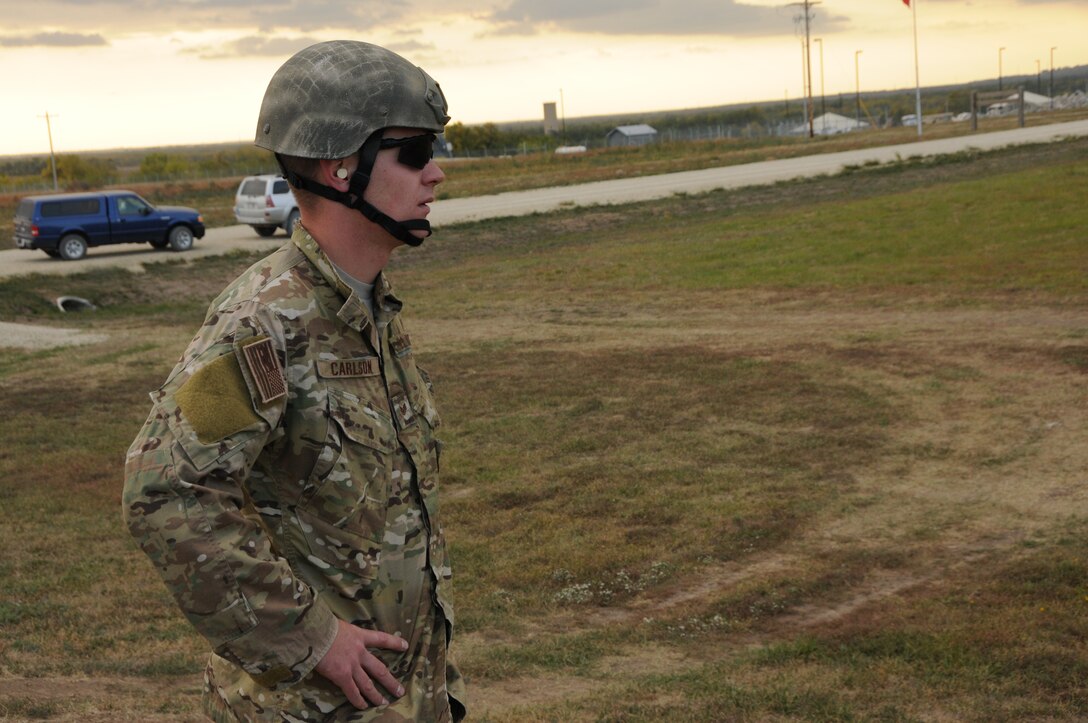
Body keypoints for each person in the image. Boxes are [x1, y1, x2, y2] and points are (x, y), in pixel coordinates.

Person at [123, 39, 466, 722]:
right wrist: (311, 639)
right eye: (417, 152)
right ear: (342, 168)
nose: (436, 175)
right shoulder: (264, 325)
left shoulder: (369, 309)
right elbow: (163, 489)